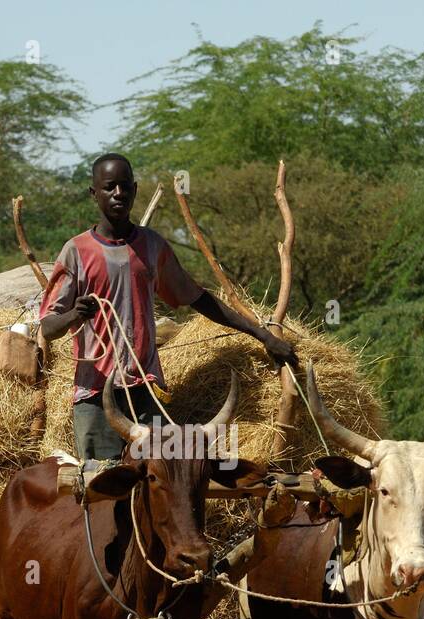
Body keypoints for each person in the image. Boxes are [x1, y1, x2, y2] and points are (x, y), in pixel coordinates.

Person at [39, 152, 298, 462]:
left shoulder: (152, 246)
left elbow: (199, 298)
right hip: (96, 397)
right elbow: (49, 327)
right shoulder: (76, 251)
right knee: (102, 488)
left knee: (159, 485)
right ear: (94, 193)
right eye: (109, 187)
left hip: (146, 393)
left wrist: (262, 335)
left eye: (124, 186)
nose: (118, 194)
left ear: (134, 190)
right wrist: (75, 314)